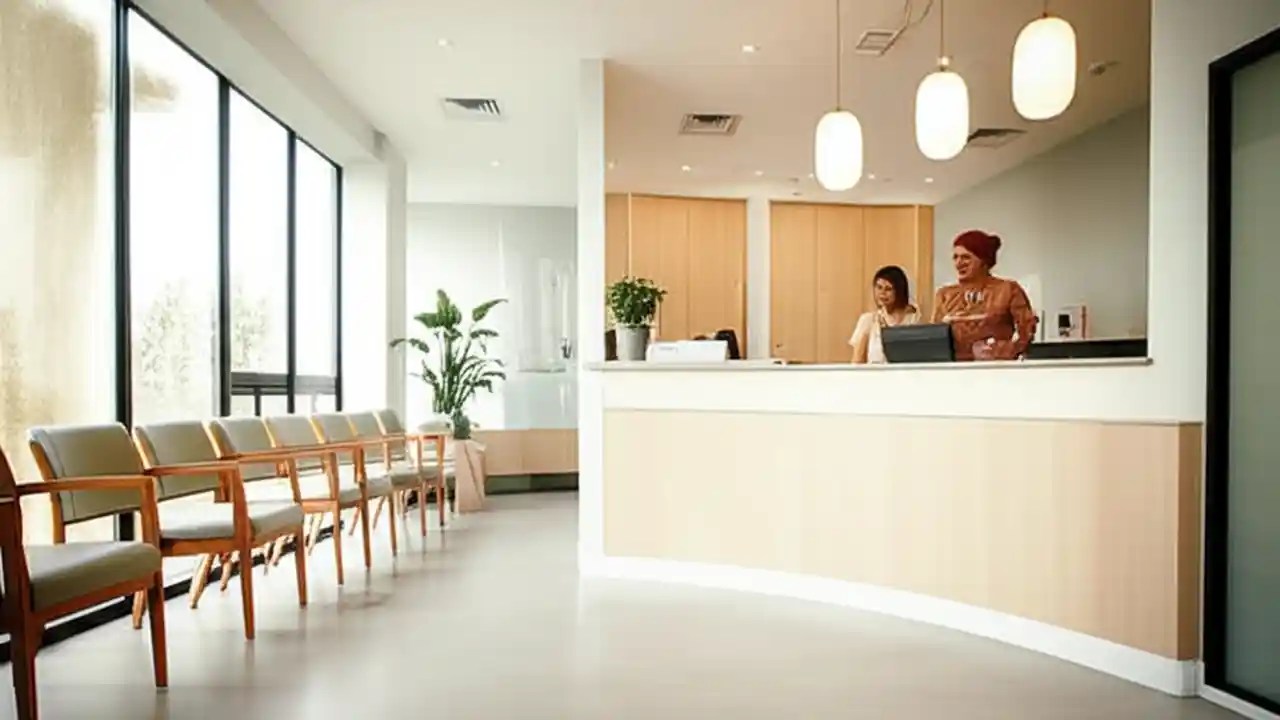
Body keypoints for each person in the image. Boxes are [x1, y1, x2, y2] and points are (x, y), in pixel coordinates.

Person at [932, 229, 1038, 361]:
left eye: (966, 257)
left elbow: (1026, 331)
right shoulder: (945, 294)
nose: (959, 263)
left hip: (997, 370)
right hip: (954, 372)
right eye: (955, 257)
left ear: (983, 260)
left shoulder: (1007, 289)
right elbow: (934, 337)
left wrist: (1003, 351)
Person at [850, 265, 922, 364]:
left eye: (888, 289)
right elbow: (857, 362)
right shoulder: (868, 320)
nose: (882, 293)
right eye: (879, 287)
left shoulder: (915, 319)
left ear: (899, 291)